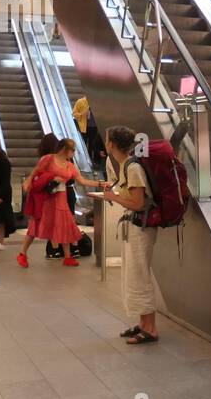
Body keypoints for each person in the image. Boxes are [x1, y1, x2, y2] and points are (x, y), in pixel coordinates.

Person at [101, 126, 159, 344]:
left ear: (112, 144)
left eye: (107, 140)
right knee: (134, 275)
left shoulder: (132, 168)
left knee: (140, 274)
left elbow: (138, 202)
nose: (105, 144)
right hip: (135, 227)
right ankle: (143, 323)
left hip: (141, 228)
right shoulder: (127, 165)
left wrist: (113, 197)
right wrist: (114, 193)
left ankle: (150, 328)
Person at [18, 138, 101, 268]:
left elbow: (82, 180)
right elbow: (36, 172)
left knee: (64, 226)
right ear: (64, 149)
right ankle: (22, 254)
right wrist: (29, 181)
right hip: (47, 198)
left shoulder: (70, 165)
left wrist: (100, 184)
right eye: (72, 149)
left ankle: (68, 257)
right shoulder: (48, 159)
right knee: (36, 226)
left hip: (61, 198)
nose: (74, 152)